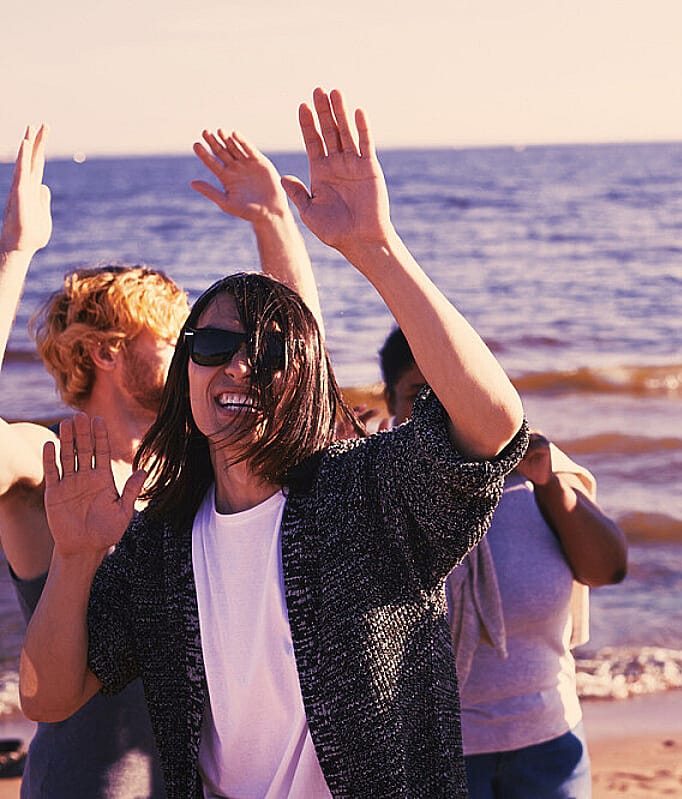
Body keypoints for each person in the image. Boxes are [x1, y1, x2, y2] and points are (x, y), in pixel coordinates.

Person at [18, 87, 527, 799]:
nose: (238, 366)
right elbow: (48, 697)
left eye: (269, 352)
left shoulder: (367, 494)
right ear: (186, 370)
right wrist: (74, 561)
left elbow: (493, 426)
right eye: (212, 345)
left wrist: (376, 248)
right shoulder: (160, 544)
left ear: (304, 376)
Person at [0, 122, 318, 797]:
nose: (199, 355)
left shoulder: (198, 469)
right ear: (106, 351)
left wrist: (272, 220)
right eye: (175, 337)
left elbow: (300, 387)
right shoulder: (48, 463)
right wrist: (16, 252)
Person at [380, 328, 627, 799]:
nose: (439, 411)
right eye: (419, 395)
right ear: (389, 399)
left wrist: (550, 485)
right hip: (431, 756)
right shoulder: (373, 481)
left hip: (549, 746)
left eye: (453, 391)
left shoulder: (529, 468)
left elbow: (607, 569)